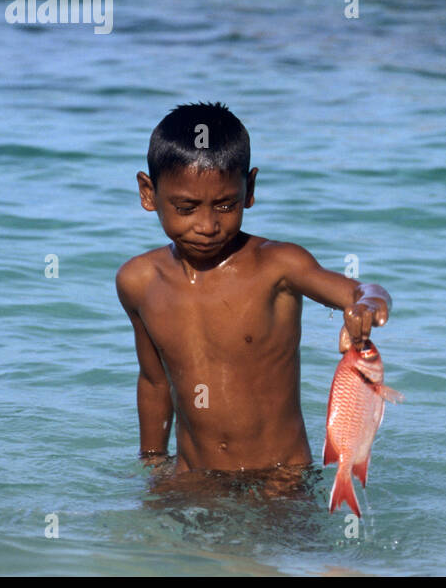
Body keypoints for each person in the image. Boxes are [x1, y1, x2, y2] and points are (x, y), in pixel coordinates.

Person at [115, 101, 391, 485]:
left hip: (280, 478)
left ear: (250, 189)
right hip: (193, 475)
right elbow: (154, 382)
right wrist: (152, 461)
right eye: (186, 207)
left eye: (225, 205)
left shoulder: (278, 265)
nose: (208, 225)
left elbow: (362, 290)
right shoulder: (138, 281)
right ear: (148, 193)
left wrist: (368, 304)